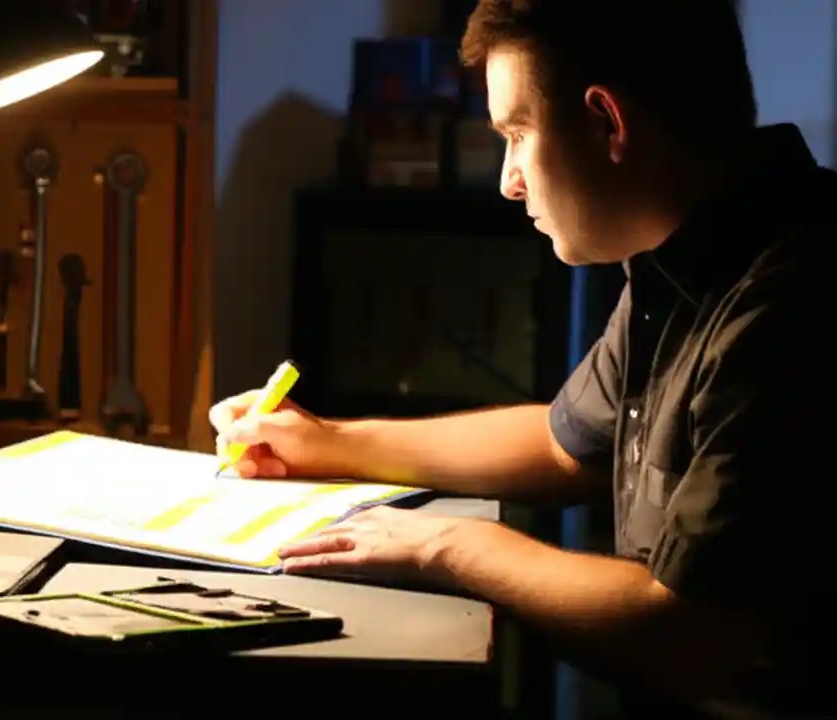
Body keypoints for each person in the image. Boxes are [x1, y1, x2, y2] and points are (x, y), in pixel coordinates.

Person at [208, 1, 835, 717]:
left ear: (606, 122)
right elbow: (565, 444)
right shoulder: (685, 256)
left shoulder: (792, 300)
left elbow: (689, 631)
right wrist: (330, 442)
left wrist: (449, 546)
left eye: (517, 133)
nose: (508, 179)